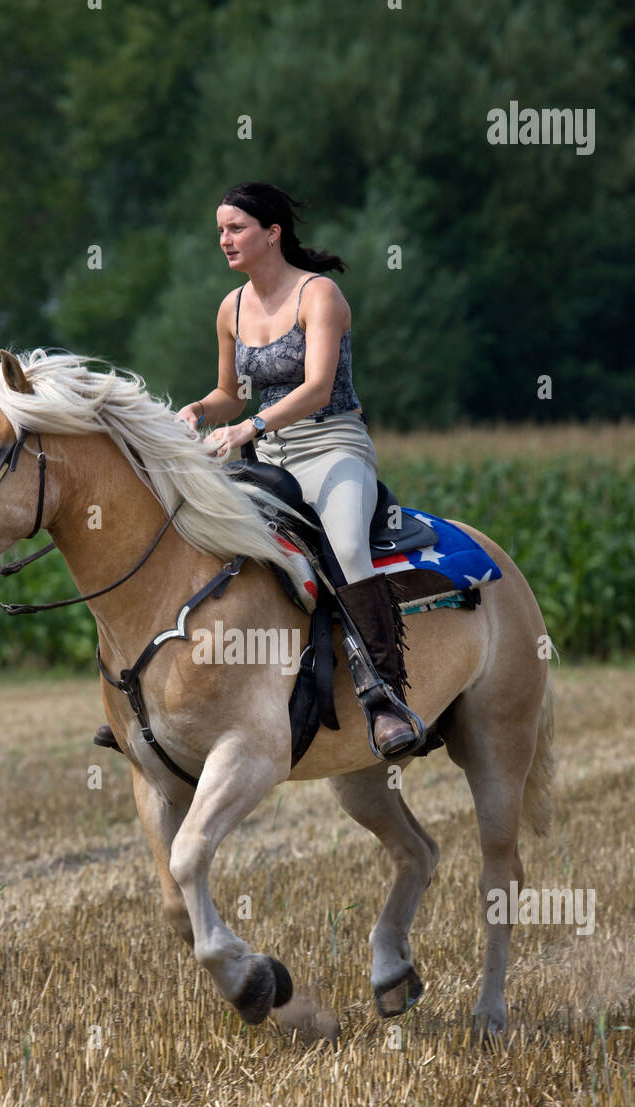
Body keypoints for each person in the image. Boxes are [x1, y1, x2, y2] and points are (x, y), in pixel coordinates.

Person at [95, 181, 419, 761]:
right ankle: (146, 700)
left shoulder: (320, 295)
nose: (225, 239)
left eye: (236, 228)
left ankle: (385, 697)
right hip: (267, 460)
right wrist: (200, 410)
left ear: (272, 234)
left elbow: (318, 389)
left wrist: (251, 427)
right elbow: (229, 393)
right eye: (220, 229)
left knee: (345, 547)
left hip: (333, 447)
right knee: (186, 534)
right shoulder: (231, 306)